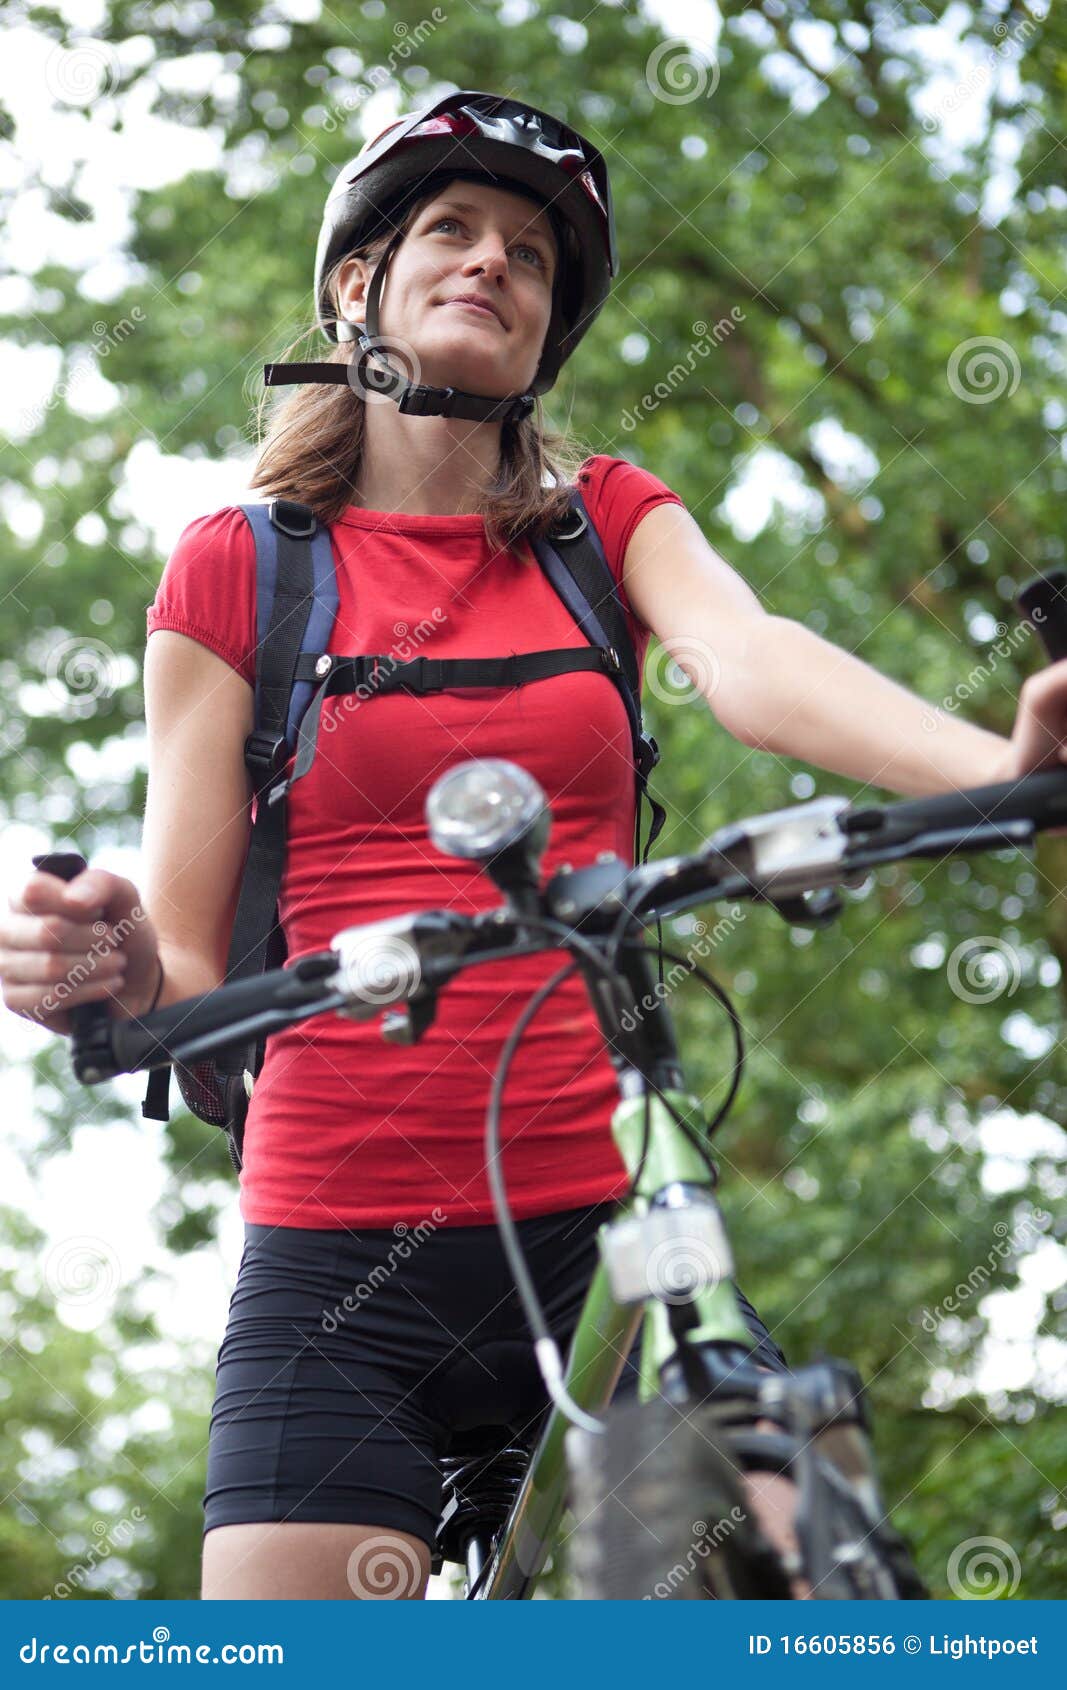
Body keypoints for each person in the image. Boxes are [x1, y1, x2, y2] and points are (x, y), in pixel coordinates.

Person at [4, 92, 1052, 1601]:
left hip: (617, 1221)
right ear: (356, 284)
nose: (494, 262)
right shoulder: (241, 569)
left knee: (781, 1550)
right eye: (451, 229)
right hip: (335, 1258)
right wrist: (85, 958)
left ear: (550, 332)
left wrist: (1001, 766)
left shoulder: (603, 523)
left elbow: (754, 668)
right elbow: (169, 959)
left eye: (531, 255)